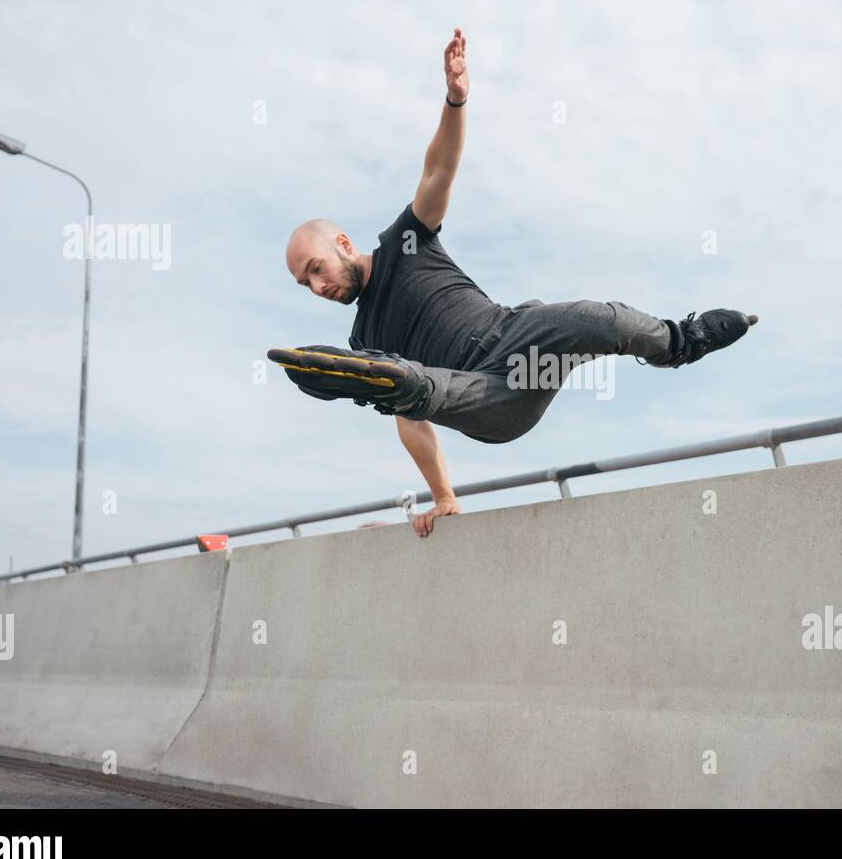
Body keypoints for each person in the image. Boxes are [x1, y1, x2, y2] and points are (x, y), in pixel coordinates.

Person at [271, 28, 757, 537]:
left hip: (520, 341)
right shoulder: (363, 340)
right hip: (486, 399)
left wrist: (455, 100)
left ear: (343, 245)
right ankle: (396, 384)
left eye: (315, 269)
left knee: (602, 318)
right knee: (412, 387)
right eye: (305, 284)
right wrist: (442, 497)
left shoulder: (404, 243)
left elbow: (438, 172)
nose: (316, 287)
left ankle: (682, 341)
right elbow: (412, 428)